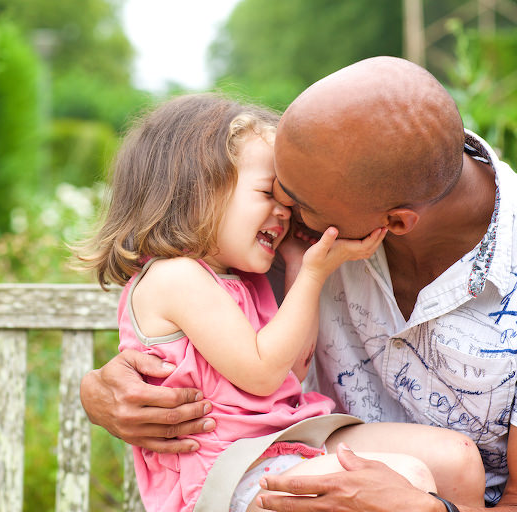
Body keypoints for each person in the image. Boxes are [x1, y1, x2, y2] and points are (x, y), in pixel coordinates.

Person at [80, 56, 517, 511]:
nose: (285, 210)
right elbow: (242, 360)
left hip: (304, 445)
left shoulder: (323, 218)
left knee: (454, 463)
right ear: (196, 195)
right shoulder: (301, 203)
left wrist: (426, 508)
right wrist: (98, 392)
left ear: (394, 222)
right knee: (410, 473)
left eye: (293, 198)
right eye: (271, 189)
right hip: (239, 464)